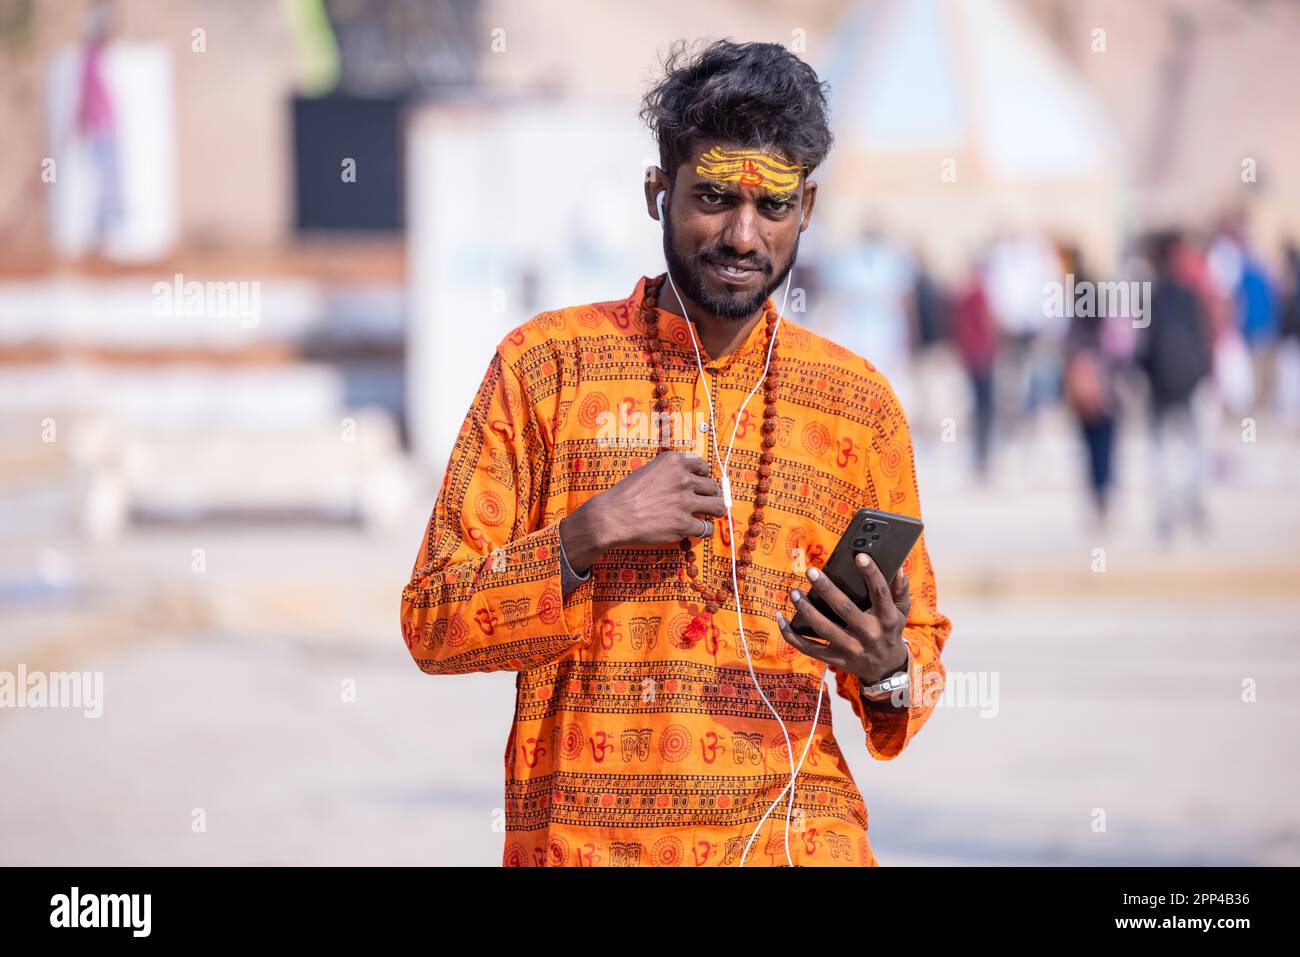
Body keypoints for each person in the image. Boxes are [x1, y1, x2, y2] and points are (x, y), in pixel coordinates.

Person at [399, 39, 951, 867]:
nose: (741, 233)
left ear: (807, 209)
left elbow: (913, 674)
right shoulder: (547, 367)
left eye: (772, 207)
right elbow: (432, 620)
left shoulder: (856, 404)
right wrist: (589, 533)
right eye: (715, 197)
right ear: (658, 194)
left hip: (798, 842)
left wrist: (885, 667)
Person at [1138, 231, 1212, 540]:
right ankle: (1185, 506)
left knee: (1168, 451)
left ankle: (1175, 509)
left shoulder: (1162, 297)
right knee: (1186, 449)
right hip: (1180, 383)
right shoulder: (1182, 296)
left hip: (1169, 385)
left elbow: (1144, 346)